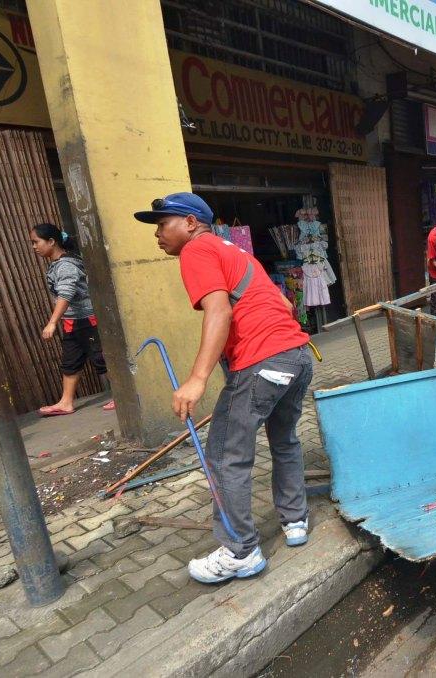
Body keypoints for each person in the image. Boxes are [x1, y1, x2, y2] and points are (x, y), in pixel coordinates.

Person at [134, 193, 313, 584]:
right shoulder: (236, 252)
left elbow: (220, 310)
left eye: (163, 224)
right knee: (284, 441)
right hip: (297, 357)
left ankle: (240, 551)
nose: (158, 234)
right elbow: (283, 303)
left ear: (191, 223)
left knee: (223, 456)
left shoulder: (196, 251)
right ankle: (295, 520)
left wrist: (197, 379)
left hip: (262, 363)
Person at [31, 223, 114, 416]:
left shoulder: (66, 265)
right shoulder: (58, 264)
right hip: (74, 321)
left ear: (51, 242)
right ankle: (66, 402)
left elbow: (66, 294)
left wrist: (52, 322)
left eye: (36, 242)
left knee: (101, 358)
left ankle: (122, 395)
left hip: (87, 318)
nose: (34, 246)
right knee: (70, 361)